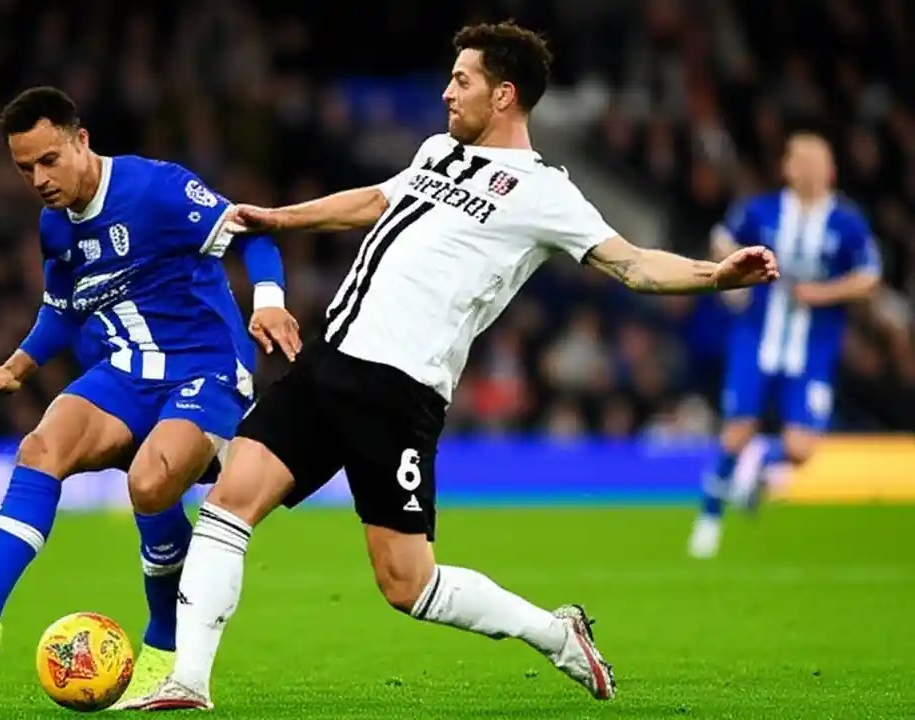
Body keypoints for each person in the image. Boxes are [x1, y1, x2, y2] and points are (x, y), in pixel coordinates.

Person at [117, 22, 778, 710]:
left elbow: (633, 264)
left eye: (462, 80)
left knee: (407, 585)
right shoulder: (437, 152)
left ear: (505, 95)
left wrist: (716, 274)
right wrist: (282, 220)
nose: (446, 92)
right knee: (228, 503)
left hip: (399, 393)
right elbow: (376, 201)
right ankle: (189, 680)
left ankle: (554, 635)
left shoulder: (546, 193)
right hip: (328, 364)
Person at [0, 87, 301, 700]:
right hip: (124, 372)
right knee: (41, 446)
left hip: (204, 369)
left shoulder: (155, 189)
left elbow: (252, 229)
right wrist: (15, 369)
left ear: (81, 141)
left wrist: (269, 302)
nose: (39, 179)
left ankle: (165, 646)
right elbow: (61, 308)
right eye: (25, 167)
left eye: (49, 159)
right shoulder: (54, 226)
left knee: (149, 481)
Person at [688, 132, 881, 558]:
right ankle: (709, 519)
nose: (809, 168)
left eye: (817, 160)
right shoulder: (764, 210)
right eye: (801, 160)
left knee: (802, 448)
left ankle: (760, 464)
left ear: (830, 169)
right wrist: (730, 276)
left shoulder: (846, 222)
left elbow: (869, 276)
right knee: (736, 430)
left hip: (813, 348)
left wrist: (823, 293)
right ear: (788, 168)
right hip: (756, 338)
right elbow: (722, 237)